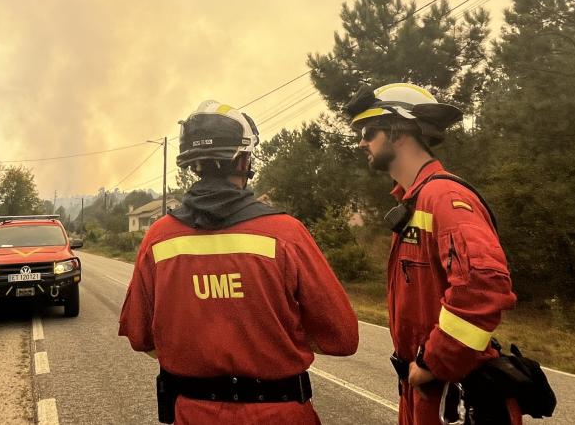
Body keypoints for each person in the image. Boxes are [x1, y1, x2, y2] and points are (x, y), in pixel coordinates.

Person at [119, 100, 360, 425]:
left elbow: (140, 336)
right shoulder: (285, 233)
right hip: (281, 414)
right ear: (244, 158)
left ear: (194, 164)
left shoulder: (159, 237)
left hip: (193, 414)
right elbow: (342, 337)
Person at [345, 83, 519, 425]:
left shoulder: (444, 197)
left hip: (455, 393)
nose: (362, 142)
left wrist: (433, 362)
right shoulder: (416, 201)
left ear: (397, 131)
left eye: (369, 130)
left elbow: (484, 286)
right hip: (428, 390)